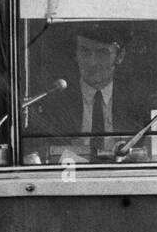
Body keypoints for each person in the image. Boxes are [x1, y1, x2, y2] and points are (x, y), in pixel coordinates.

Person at [26, 24, 148, 162]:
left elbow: (148, 151)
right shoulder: (56, 100)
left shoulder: (136, 101)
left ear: (120, 56)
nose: (92, 62)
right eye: (85, 52)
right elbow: (36, 149)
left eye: (102, 53)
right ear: (76, 55)